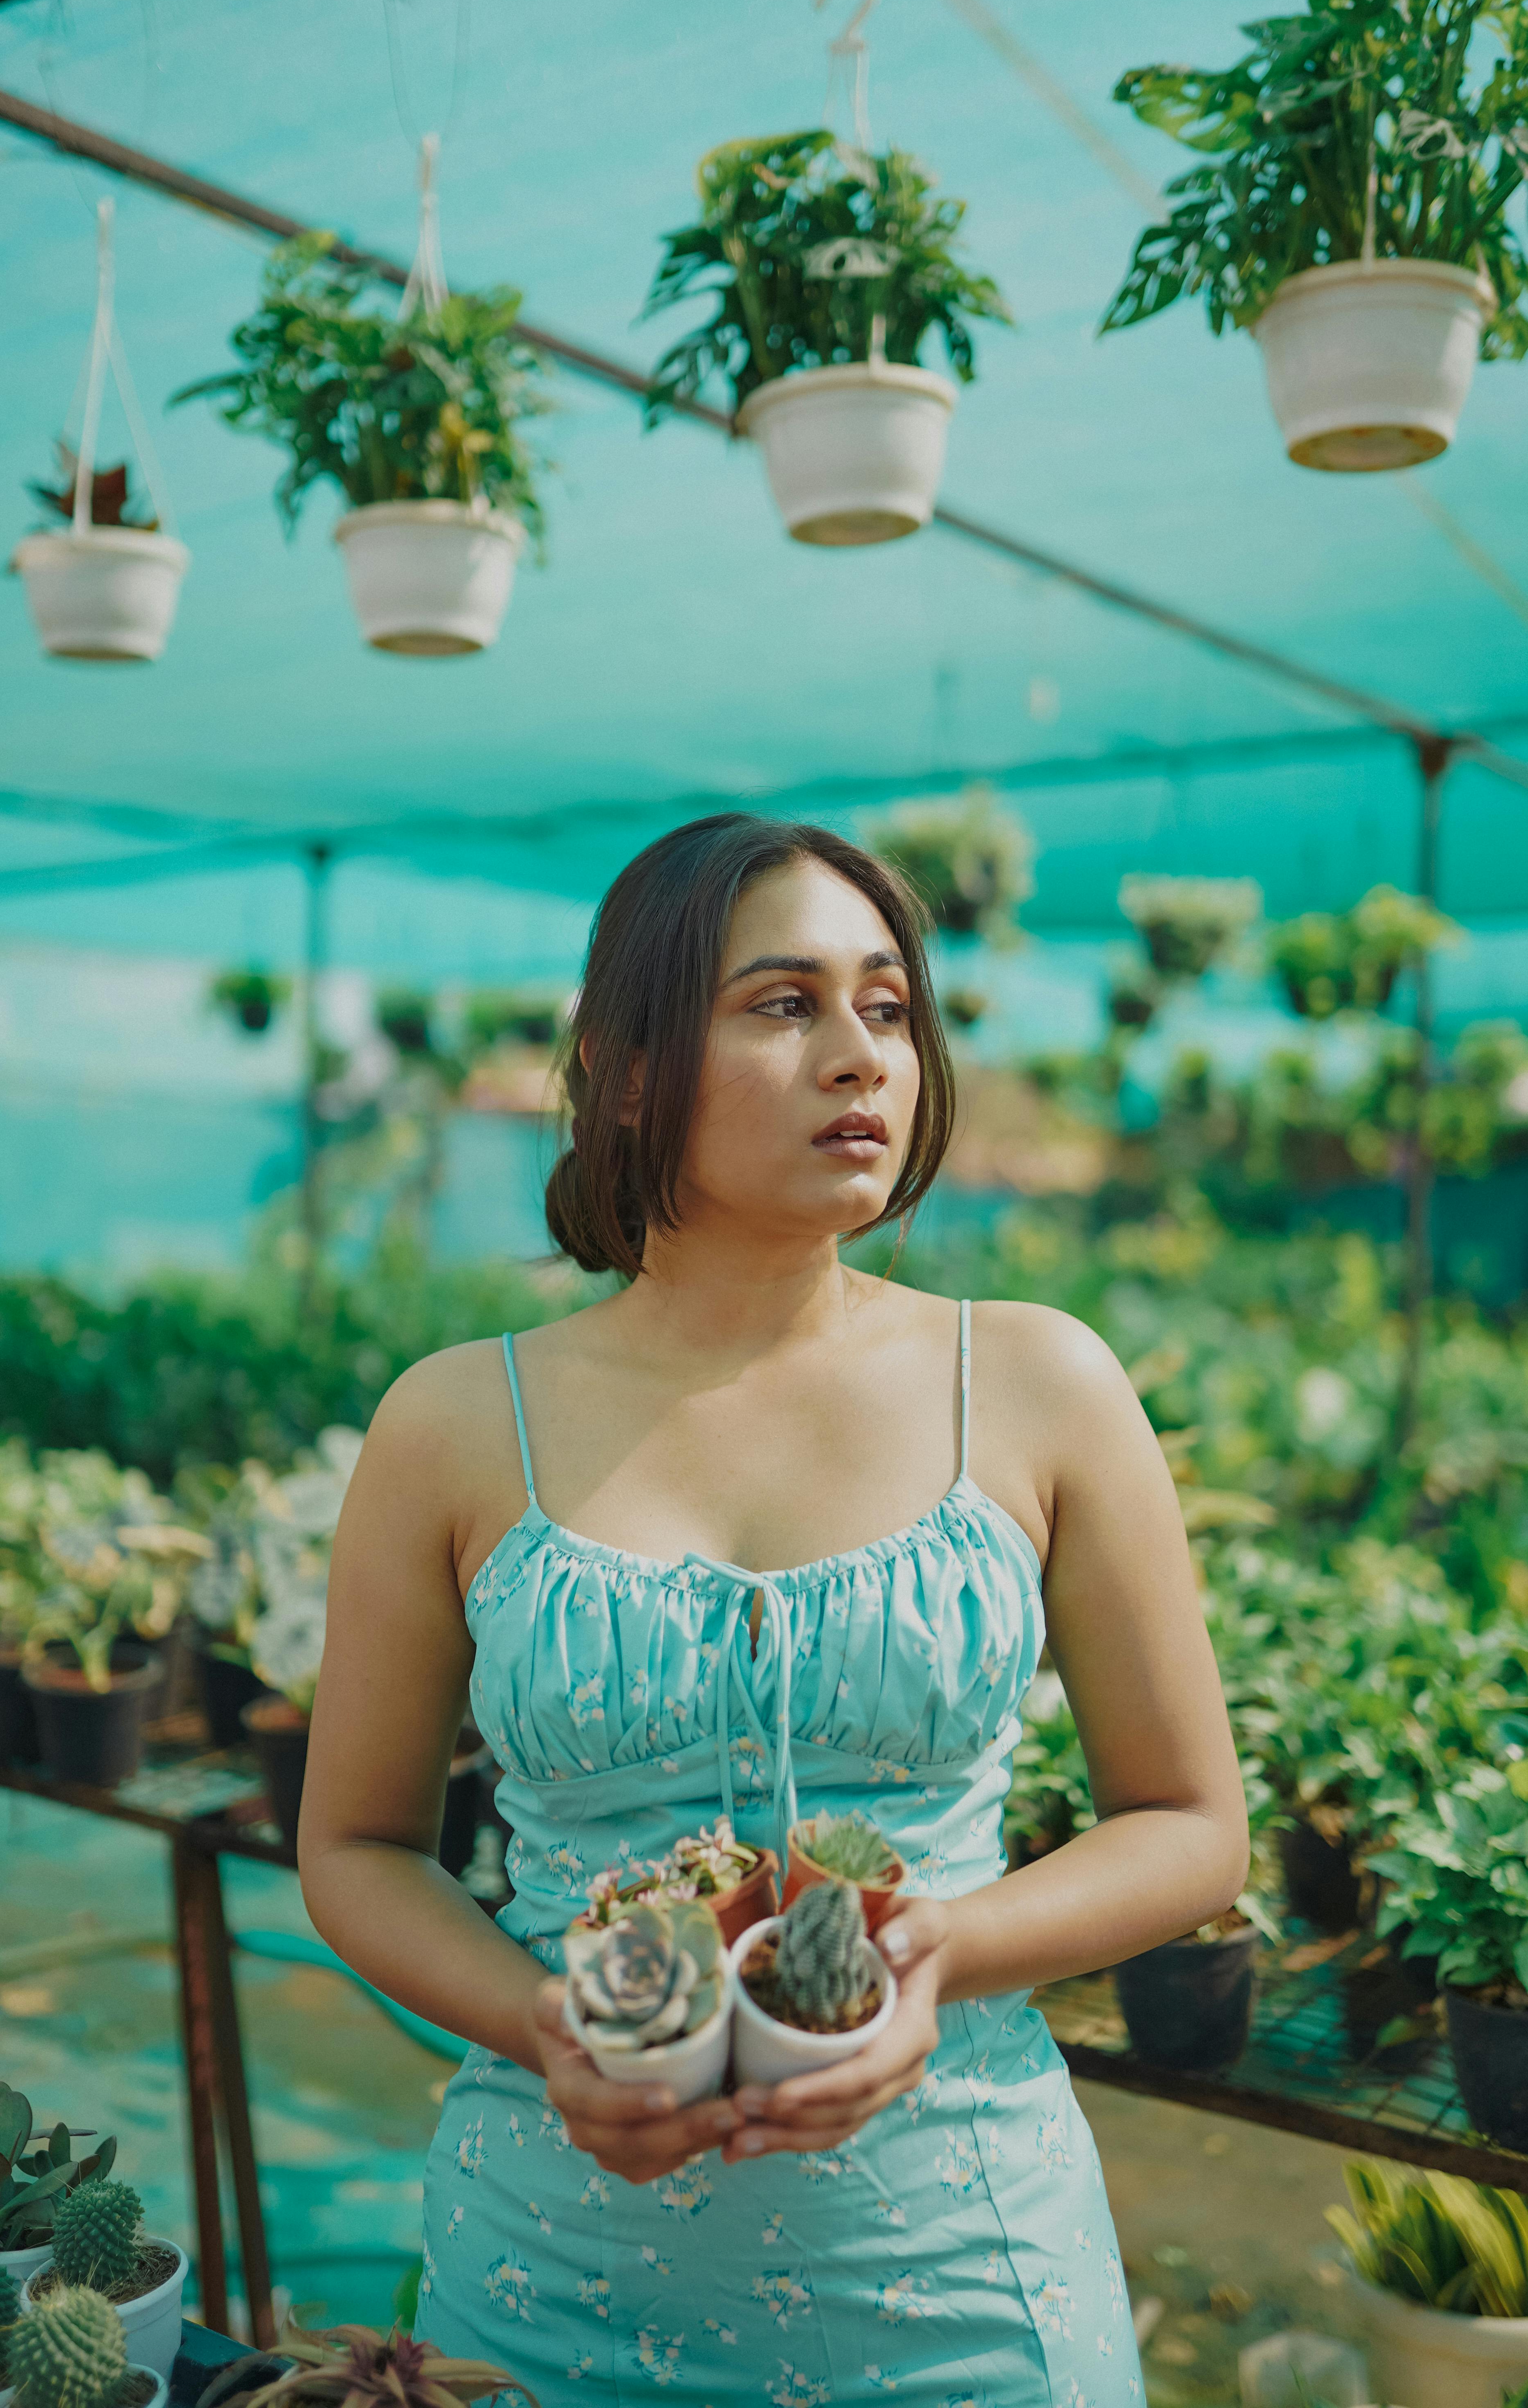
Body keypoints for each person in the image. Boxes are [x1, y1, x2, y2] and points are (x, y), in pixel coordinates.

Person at [299, 813, 1248, 2405]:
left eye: (886, 1009)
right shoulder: (457, 1425)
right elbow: (353, 1846)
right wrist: (548, 2027)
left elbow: (1189, 1822)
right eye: (783, 1003)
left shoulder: (1036, 1386)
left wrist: (944, 1949)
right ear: (621, 1065)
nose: (860, 1057)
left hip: (968, 2288)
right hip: (550, 2283)